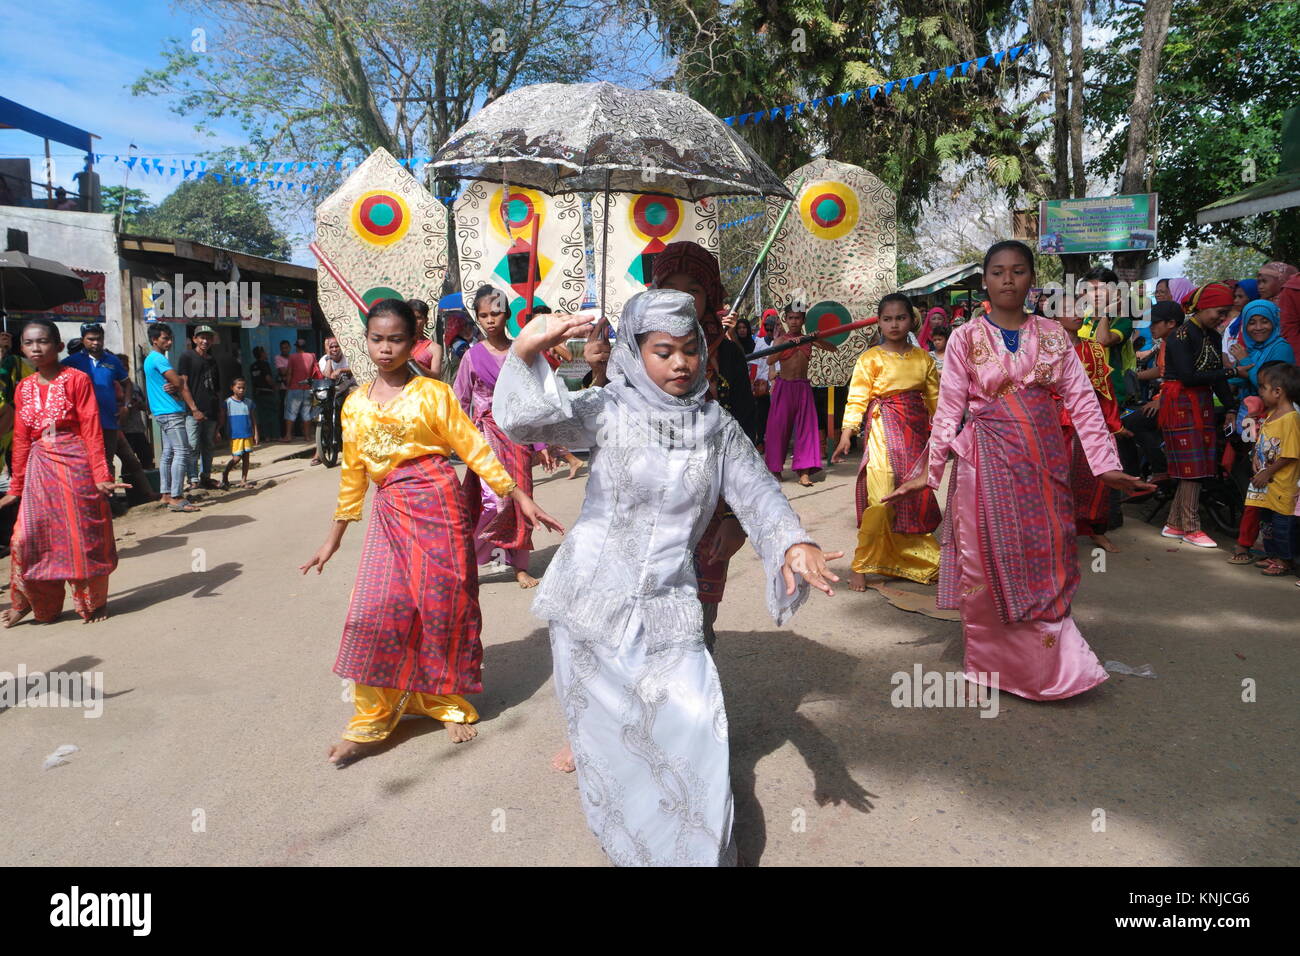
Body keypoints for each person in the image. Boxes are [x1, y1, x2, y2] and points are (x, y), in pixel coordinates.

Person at [494, 289, 842, 866]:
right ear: (635, 352)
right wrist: (528, 353)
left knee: (694, 729)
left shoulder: (717, 427)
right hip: (590, 607)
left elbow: (758, 495)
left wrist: (793, 542)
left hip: (669, 604)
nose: (680, 364)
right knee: (615, 750)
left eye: (688, 350)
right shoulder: (607, 409)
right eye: (663, 351)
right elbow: (531, 422)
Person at [886, 241, 1150, 702]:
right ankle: (993, 665)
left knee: (1047, 551)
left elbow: (1084, 403)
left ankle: (1051, 663)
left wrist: (1105, 466)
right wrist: (928, 473)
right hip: (983, 463)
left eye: (1019, 270)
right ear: (985, 280)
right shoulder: (966, 338)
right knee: (987, 560)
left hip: (1045, 458)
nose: (1008, 279)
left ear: (1031, 279)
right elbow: (948, 411)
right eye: (998, 271)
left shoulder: (1053, 335)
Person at [300, 299, 560, 765]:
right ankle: (369, 721)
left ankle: (442, 701)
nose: (385, 349)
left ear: (412, 340)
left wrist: (517, 494)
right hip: (390, 513)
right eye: (377, 339)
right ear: (366, 341)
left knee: (444, 607)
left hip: (439, 506)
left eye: (395, 339)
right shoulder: (354, 404)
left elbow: (474, 448)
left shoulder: (433, 395)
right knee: (377, 612)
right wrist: (333, 537)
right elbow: (354, 474)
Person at [650, 240, 755, 650]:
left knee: (695, 625)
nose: (679, 297)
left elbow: (745, 441)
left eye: (691, 288)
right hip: (648, 507)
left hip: (710, 510)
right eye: (668, 287)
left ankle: (697, 712)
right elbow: (608, 427)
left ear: (710, 293)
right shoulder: (635, 356)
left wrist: (735, 519)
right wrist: (599, 370)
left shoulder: (727, 357)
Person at [1, 320, 127, 626]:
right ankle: (36, 603)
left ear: (58, 346)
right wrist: (15, 487)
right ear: (21, 349)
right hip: (38, 467)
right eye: (29, 343)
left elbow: (91, 427)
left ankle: (92, 604)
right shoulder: (23, 388)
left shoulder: (77, 379)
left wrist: (100, 474)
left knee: (81, 536)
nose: (36, 348)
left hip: (75, 464)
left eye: (42, 341)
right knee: (24, 539)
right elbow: (20, 439)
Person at [831, 292, 940, 590]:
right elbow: (857, 399)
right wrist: (846, 434)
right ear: (879, 323)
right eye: (887, 319)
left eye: (900, 318)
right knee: (880, 499)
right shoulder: (871, 358)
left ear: (911, 320)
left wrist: (946, 438)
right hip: (882, 431)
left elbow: (936, 402)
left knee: (913, 498)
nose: (894, 324)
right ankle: (861, 564)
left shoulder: (923, 359)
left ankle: (909, 562)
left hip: (915, 436)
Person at [454, 285, 545, 588]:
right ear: (477, 319)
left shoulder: (522, 351)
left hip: (518, 436)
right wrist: (462, 441)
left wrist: (542, 443)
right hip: (485, 437)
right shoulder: (471, 356)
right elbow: (460, 401)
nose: (490, 319)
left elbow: (534, 399)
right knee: (495, 503)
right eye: (483, 315)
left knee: (522, 501)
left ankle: (519, 566)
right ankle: (468, 561)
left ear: (506, 314)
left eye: (495, 313)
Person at [1159, 282, 1237, 547]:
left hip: (1201, 402)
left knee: (1200, 464)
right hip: (1181, 401)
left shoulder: (1213, 336)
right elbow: (1189, 377)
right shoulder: (1180, 336)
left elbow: (1218, 382)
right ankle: (1191, 527)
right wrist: (1230, 371)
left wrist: (1231, 407)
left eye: (1226, 312)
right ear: (1203, 306)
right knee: (1191, 468)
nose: (1222, 317)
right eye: (1219, 311)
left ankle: (1173, 523)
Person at [1057, 297, 1126, 552]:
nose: (1077, 314)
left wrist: (1113, 424)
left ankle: (1097, 530)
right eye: (1068, 310)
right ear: (1055, 319)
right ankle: (1058, 533)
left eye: (1078, 309)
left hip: (1089, 420)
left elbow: (1106, 391)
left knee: (1097, 477)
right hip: (1055, 421)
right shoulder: (1044, 351)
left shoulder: (1094, 350)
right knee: (1059, 478)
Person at [766, 307, 836, 486]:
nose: (794, 321)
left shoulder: (809, 339)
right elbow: (770, 360)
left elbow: (833, 349)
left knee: (807, 430)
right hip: (784, 387)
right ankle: (775, 470)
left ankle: (804, 473)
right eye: (791, 318)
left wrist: (815, 338)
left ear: (803, 320)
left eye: (798, 318)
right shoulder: (781, 339)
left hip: (803, 387)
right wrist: (787, 345)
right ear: (786, 320)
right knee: (778, 430)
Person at [1243, 363, 1300, 577]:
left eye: (1262, 388)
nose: (1260, 392)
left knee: (1282, 525)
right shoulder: (1272, 414)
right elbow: (1263, 443)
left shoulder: (1291, 419)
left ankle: (1285, 561)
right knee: (1268, 522)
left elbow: (1290, 453)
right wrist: (1256, 463)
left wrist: (1268, 472)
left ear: (1278, 391)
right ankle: (1273, 555)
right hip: (1265, 483)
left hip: (1282, 484)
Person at [1119, 300, 1183, 482]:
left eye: (1155, 323)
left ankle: (1154, 471)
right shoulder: (1165, 342)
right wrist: (1136, 376)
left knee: (1129, 423)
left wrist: (1161, 400)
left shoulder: (1178, 343)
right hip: (1163, 398)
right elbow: (1162, 370)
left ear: (1171, 323)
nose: (1151, 327)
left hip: (1173, 401)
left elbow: (1181, 378)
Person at [144, 324, 201, 513]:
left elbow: (174, 382)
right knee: (182, 451)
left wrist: (175, 383)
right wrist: (178, 382)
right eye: (165, 338)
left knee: (168, 453)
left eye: (170, 338)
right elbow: (178, 381)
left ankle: (166, 493)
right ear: (154, 340)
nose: (169, 342)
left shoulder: (150, 359)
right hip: (170, 411)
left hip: (162, 412)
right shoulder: (159, 359)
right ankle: (176, 496)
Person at [1077, 266, 1136, 407]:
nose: (1096, 294)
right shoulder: (1079, 321)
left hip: (1113, 398)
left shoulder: (1123, 322)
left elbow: (1103, 340)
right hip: (1084, 397)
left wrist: (1106, 313)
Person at [177, 325, 222, 490]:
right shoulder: (187, 356)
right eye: (201, 337)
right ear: (195, 339)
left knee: (208, 445)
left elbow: (216, 389)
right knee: (193, 446)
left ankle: (206, 477)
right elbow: (183, 385)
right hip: (193, 412)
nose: (205, 341)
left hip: (211, 410)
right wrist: (194, 409)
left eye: (208, 338)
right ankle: (193, 479)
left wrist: (220, 410)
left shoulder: (212, 359)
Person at [1227, 300, 1295, 396]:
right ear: (1245, 326)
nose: (1258, 327)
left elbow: (1273, 390)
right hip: (1248, 407)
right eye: (1252, 323)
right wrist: (1236, 371)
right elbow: (1234, 383)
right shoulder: (1250, 349)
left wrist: (1245, 361)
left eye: (1265, 321)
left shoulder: (1281, 348)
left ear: (1274, 322)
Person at [219, 378, 259, 489]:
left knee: (246, 457)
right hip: (235, 434)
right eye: (238, 387)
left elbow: (253, 418)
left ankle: (243, 480)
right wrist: (217, 430)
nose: (241, 390)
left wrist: (256, 433)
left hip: (247, 434)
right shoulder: (227, 402)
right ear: (232, 388)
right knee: (236, 458)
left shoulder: (249, 403)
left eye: (243, 388)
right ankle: (225, 474)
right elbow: (222, 418)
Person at [281, 337, 318, 446]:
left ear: (296, 347)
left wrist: (287, 386)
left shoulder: (292, 357)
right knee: (306, 413)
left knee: (291, 413)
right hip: (307, 388)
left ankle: (288, 435)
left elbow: (289, 373)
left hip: (294, 388)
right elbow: (314, 372)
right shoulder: (312, 356)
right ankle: (307, 436)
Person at [249, 345, 278, 442]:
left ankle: (267, 437)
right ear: (261, 354)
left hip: (258, 393)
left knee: (263, 415)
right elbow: (268, 378)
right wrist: (274, 387)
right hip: (267, 392)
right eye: (264, 352)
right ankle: (275, 435)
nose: (266, 354)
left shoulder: (253, 366)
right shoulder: (264, 364)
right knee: (273, 414)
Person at [409, 299, 443, 375]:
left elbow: (436, 377)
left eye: (418, 318)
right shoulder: (398, 343)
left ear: (426, 320)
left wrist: (412, 362)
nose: (414, 321)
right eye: (410, 317)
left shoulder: (434, 348)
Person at [274, 339, 292, 424]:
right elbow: (283, 372)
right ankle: (283, 432)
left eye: (286, 348)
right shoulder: (278, 358)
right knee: (283, 410)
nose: (284, 350)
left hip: (293, 387)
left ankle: (296, 432)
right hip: (283, 389)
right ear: (280, 349)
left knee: (294, 410)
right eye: (282, 348)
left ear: (289, 348)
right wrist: (292, 369)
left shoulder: (292, 358)